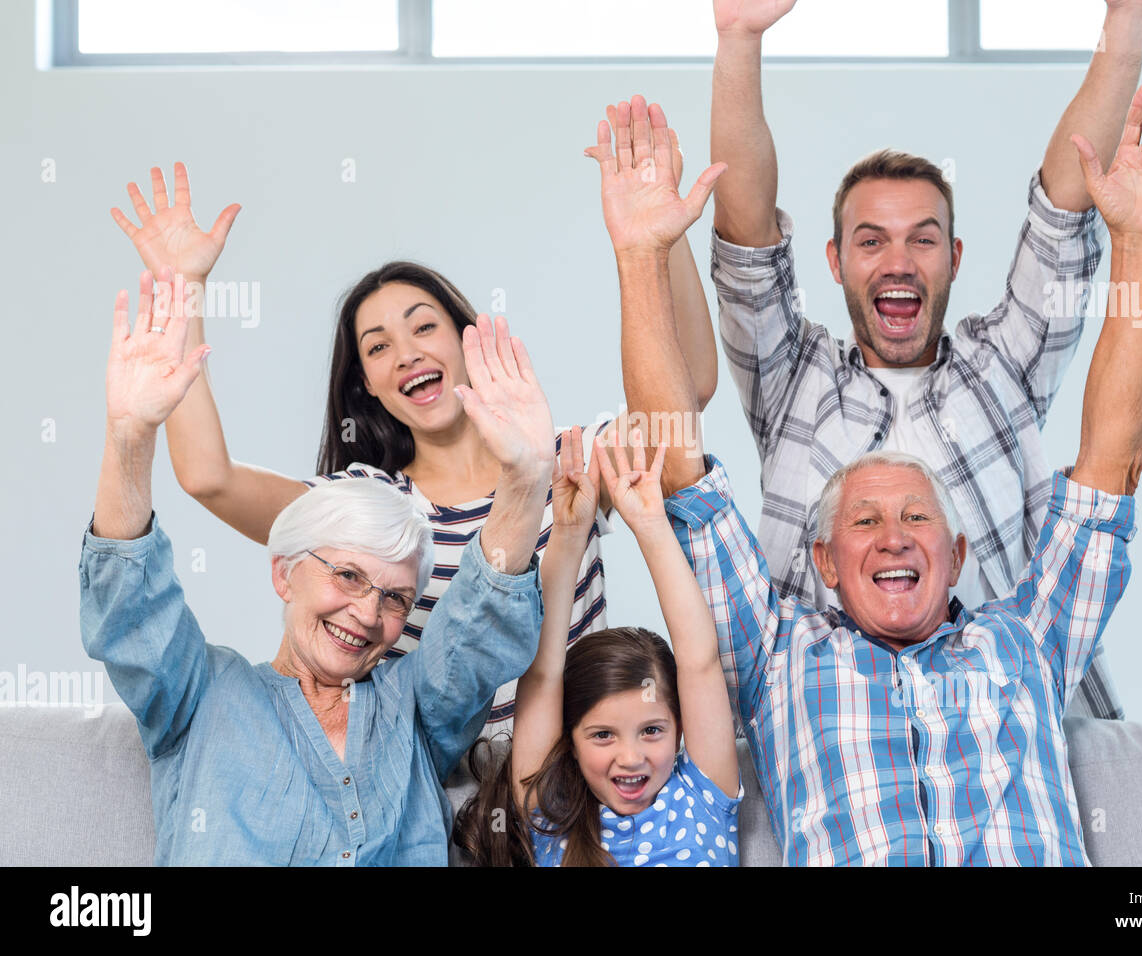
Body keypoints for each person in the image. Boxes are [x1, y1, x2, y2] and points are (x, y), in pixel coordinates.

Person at [656, 80, 1142, 864]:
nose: (894, 540)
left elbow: (1114, 461)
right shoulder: (784, 658)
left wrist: (1139, 245)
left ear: (961, 556)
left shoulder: (1024, 644)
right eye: (865, 521)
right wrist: (644, 255)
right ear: (824, 562)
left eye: (917, 518)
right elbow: (681, 463)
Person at [107, 157, 717, 735]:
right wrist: (184, 286)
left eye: (424, 326)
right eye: (377, 347)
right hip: (430, 790)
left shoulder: (563, 465)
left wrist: (656, 244)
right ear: (368, 387)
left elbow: (684, 402)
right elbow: (208, 476)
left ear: (465, 336)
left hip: (567, 789)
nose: (406, 353)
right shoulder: (366, 505)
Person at [705, 0, 1142, 721]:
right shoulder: (793, 380)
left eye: (922, 240)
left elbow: (1064, 215)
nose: (898, 262)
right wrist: (738, 40)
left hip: (1015, 733)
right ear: (835, 260)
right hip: (830, 738)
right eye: (871, 240)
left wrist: (1127, 19)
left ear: (953, 259)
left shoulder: (1002, 365)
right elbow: (745, 246)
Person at [80, 271, 556, 865]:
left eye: (395, 599)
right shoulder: (203, 694)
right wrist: (129, 435)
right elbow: (130, 608)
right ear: (285, 573)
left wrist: (527, 476)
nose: (367, 612)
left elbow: (479, 627)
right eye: (349, 576)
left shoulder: (413, 707)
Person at [454, 428, 741, 866]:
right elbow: (544, 673)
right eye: (603, 735)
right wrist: (569, 533)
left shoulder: (702, 794)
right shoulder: (551, 812)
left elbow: (700, 661)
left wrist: (650, 525)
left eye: (652, 730)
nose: (631, 758)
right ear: (567, 740)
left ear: (681, 729)